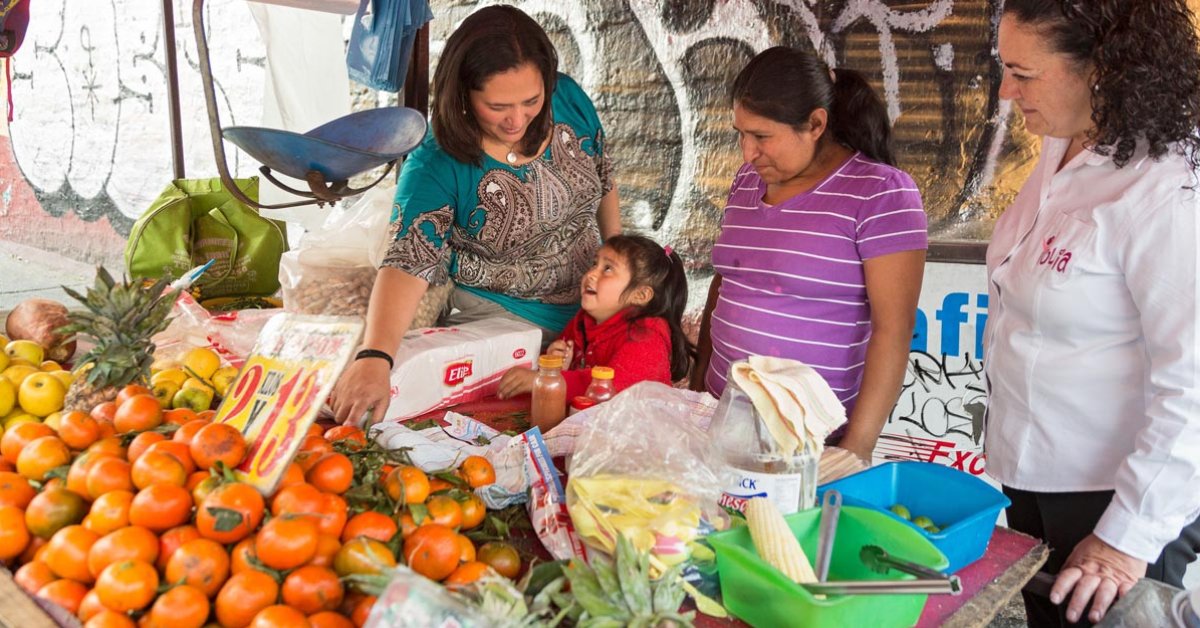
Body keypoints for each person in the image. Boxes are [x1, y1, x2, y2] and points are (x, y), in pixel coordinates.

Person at [985, 1, 1200, 625]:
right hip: (1037, 477)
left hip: (1117, 499)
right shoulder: (1064, 147)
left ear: (1102, 68)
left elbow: (1192, 383)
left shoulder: (1166, 188)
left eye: (1023, 73)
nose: (1006, 91)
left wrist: (1123, 542)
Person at [331, 5, 619, 425]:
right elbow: (408, 259)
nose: (517, 119)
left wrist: (619, 261)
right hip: (505, 323)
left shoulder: (568, 98)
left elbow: (603, 175)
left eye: (532, 100)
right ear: (463, 93)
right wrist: (375, 355)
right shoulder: (436, 161)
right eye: (498, 105)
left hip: (593, 310)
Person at [689, 46, 928, 463]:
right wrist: (697, 385)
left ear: (816, 123)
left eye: (762, 136)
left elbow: (894, 327)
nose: (748, 152)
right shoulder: (747, 180)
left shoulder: (881, 193)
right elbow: (726, 282)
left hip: (809, 442)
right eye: (740, 134)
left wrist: (855, 448)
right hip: (721, 418)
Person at [496, 234, 693, 407]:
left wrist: (546, 380)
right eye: (594, 264)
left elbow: (611, 389)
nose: (591, 274)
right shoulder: (584, 320)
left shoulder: (646, 336)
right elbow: (570, 376)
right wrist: (556, 364)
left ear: (640, 295)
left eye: (607, 269)